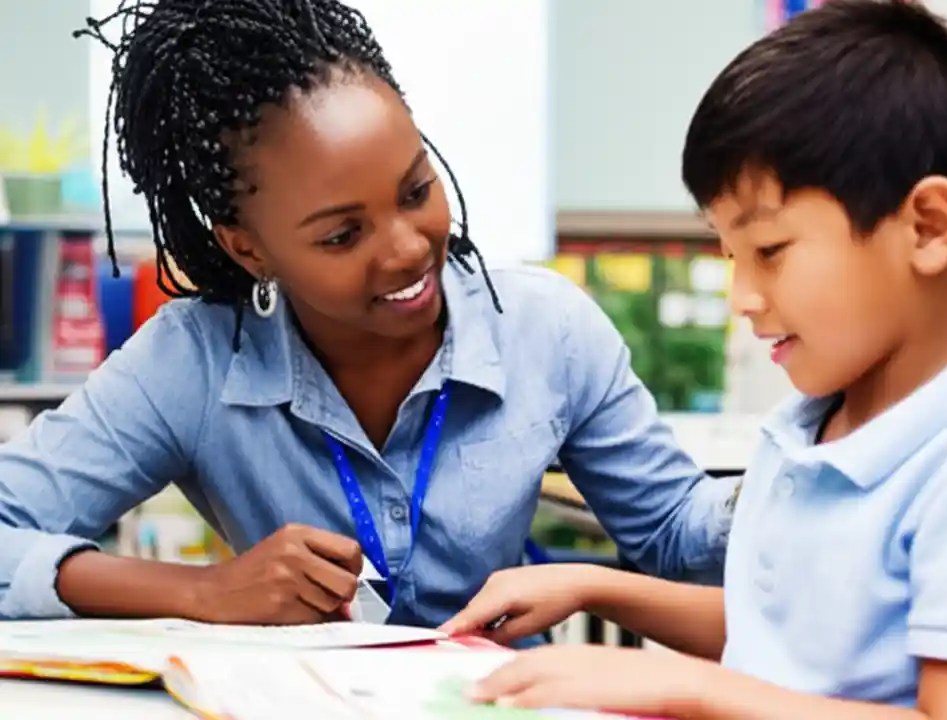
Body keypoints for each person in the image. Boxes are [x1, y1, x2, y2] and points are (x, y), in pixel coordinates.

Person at [443, 1, 947, 717]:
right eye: (731, 256)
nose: (743, 296)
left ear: (927, 227)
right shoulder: (807, 430)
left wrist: (690, 687)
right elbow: (786, 636)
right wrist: (594, 587)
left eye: (769, 251)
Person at [0, 0, 735, 629]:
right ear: (249, 248)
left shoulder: (547, 331)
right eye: (342, 235)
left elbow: (677, 534)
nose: (408, 250)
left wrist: (822, 466)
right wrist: (202, 591)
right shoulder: (195, 361)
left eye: (416, 190)